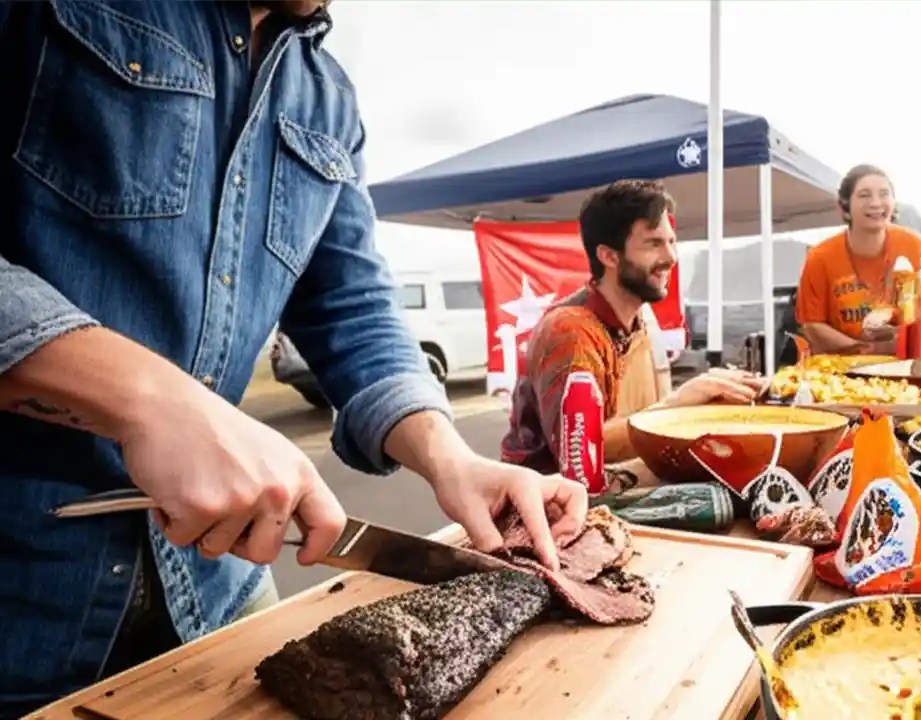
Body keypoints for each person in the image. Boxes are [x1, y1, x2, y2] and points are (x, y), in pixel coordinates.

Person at [0, 2, 584, 713]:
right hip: (22, 600)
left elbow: (353, 306)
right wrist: (148, 399)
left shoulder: (328, 99)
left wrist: (450, 458)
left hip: (218, 591)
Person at [501, 180, 766, 473]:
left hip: (611, 485)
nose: (671, 258)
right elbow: (581, 449)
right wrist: (681, 404)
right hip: (550, 505)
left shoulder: (640, 320)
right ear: (609, 256)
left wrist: (708, 398)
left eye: (671, 242)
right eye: (654, 244)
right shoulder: (570, 331)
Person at [794, 164, 921, 355]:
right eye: (864, 195)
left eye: (884, 194)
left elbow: (919, 311)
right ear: (844, 206)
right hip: (841, 369)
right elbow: (812, 325)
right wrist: (864, 350)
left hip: (900, 363)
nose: (876, 203)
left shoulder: (912, 246)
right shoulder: (820, 257)